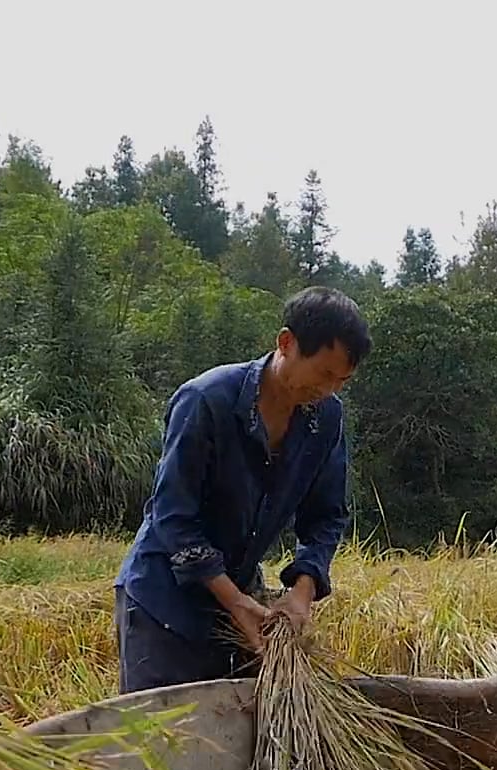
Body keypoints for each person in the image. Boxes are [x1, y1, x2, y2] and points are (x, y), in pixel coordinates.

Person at [114, 287, 367, 694]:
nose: (329, 390)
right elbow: (173, 517)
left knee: (237, 740)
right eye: (323, 373)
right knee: (159, 745)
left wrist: (301, 593)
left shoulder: (326, 420)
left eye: (343, 380)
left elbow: (326, 516)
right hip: (164, 605)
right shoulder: (205, 401)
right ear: (286, 343)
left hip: (242, 605)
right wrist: (234, 602)